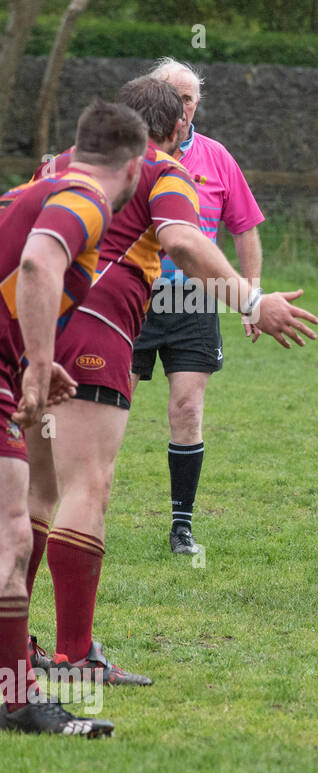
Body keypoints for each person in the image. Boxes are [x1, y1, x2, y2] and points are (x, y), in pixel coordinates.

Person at [24, 78, 318, 686]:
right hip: (95, 325)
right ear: (177, 129)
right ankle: (74, 656)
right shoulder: (161, 169)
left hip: (28, 326)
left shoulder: (56, 163)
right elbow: (185, 242)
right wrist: (250, 299)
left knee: (35, 493)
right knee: (88, 488)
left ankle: (15, 649)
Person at [0, 101, 147, 737]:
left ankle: (16, 697)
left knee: (13, 532)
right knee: (12, 539)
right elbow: (36, 264)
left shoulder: (28, 190)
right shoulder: (87, 199)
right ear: (137, 166)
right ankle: (18, 702)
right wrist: (37, 363)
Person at [130, 58, 267, 555]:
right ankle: (87, 513)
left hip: (193, 303)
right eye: (175, 96)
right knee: (110, 412)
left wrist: (251, 294)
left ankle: (181, 526)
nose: (184, 107)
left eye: (191, 99)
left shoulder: (216, 157)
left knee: (187, 408)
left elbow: (245, 225)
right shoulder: (126, 158)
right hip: (133, 299)